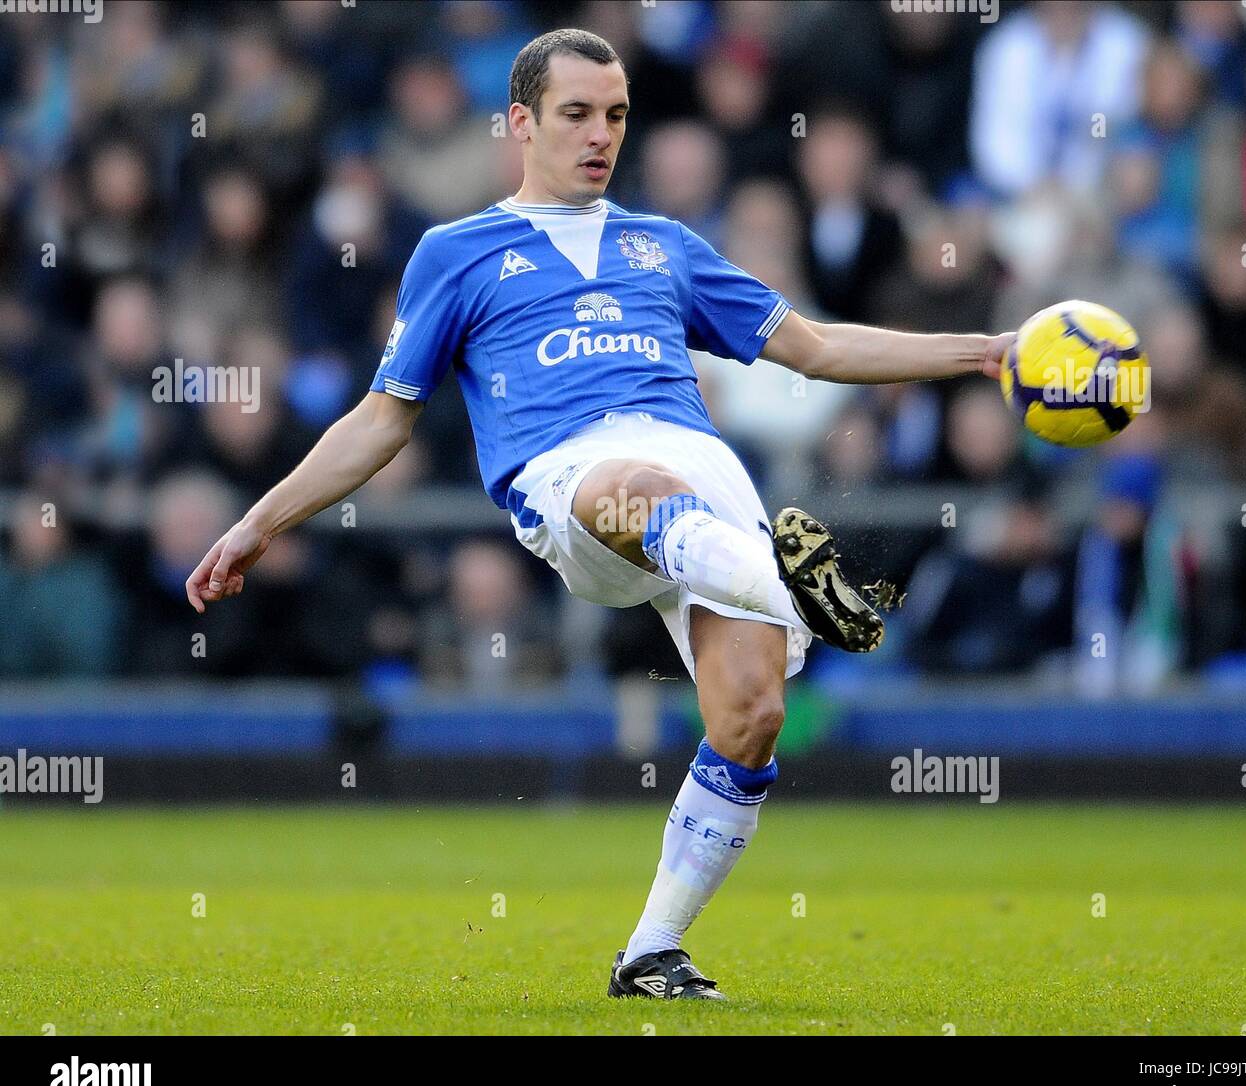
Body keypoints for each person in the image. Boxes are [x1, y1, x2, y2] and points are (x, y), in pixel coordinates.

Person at [185, 28, 1012, 1001]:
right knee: (640, 491)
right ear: (521, 122)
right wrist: (259, 521)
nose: (599, 134)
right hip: (569, 474)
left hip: (696, 462)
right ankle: (795, 588)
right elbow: (379, 422)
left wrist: (983, 351)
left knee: (749, 713)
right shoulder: (455, 253)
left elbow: (818, 348)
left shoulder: (664, 245)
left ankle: (651, 950)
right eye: (576, 113)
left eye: (615, 114)